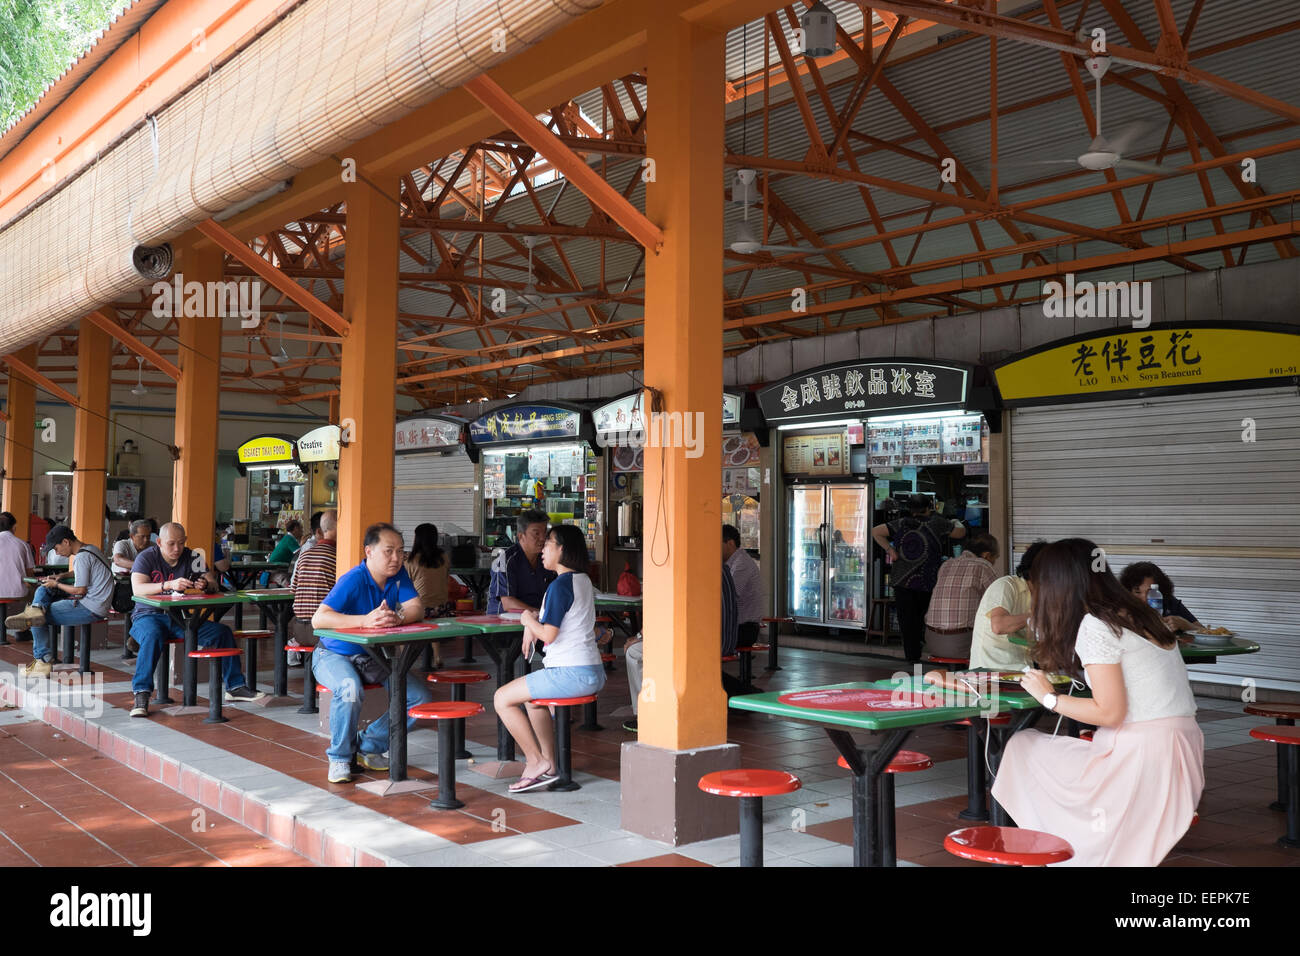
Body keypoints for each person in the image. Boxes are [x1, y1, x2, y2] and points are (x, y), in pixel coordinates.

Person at [992, 538, 1204, 866]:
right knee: (1050, 750)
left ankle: (1048, 850)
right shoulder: (1141, 613)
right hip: (1180, 750)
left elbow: (1110, 712)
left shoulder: (1096, 625)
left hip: (1141, 758)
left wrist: (1049, 697)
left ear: (1059, 584)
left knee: (1022, 746)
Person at [310, 522, 434, 785]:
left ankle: (368, 745)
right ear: (369, 551)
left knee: (418, 698)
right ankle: (341, 757)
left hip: (373, 657)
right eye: (389, 551)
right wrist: (364, 621)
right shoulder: (354, 579)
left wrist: (397, 619)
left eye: (401, 551)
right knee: (349, 688)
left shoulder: (398, 576)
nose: (396, 558)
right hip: (333, 655)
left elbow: (416, 608)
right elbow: (319, 619)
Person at [492, 525, 605, 792]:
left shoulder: (559, 586)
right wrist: (531, 627)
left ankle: (534, 761)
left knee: (501, 698)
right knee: (532, 702)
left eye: (549, 543)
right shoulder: (583, 581)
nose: (543, 548)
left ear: (562, 549)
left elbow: (549, 635)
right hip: (591, 671)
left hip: (569, 673)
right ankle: (550, 765)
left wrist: (527, 619)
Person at [127, 522, 265, 718]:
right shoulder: (146, 557)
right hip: (147, 616)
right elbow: (138, 589)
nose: (177, 549)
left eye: (181, 543)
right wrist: (168, 584)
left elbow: (213, 584)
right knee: (152, 634)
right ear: (159, 542)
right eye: (171, 544)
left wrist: (206, 584)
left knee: (222, 633)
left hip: (181, 619)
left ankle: (235, 687)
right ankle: (141, 693)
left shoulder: (192, 557)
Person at [623, 564, 741, 733]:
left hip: (704, 644)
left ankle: (647, 713)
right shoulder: (721, 568)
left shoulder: (690, 568)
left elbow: (666, 611)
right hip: (725, 640)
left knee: (634, 652)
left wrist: (641, 637)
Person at [871, 494, 966, 662]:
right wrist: (955, 522)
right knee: (925, 617)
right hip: (926, 580)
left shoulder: (901, 523)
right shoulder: (938, 523)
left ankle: (912, 656)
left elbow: (876, 531)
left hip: (902, 579)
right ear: (930, 506)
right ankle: (929, 648)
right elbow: (960, 533)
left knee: (907, 620)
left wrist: (890, 550)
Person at [10, 526, 114, 678]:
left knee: (35, 617)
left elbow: (80, 590)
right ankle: (36, 609)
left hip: (90, 607)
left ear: (66, 541)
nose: (57, 553)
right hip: (96, 603)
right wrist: (62, 575)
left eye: (56, 548)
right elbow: (82, 571)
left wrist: (57, 584)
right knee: (43, 591)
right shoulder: (91, 549)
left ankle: (42, 659)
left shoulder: (81, 557)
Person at [968, 540, 1047, 671]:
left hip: (1022, 669)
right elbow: (998, 626)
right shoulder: (1006, 585)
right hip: (991, 671)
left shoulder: (1042, 596)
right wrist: (1036, 615)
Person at [923, 532, 999, 660]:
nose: (994, 562)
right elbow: (998, 599)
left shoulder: (946, 565)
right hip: (961, 643)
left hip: (932, 641)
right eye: (995, 558)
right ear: (987, 555)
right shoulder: (983, 565)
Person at [288, 510, 337, 666]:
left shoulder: (304, 555)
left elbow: (293, 589)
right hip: (323, 632)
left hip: (299, 631)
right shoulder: (337, 556)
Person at [487, 510, 555, 614]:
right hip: (504, 624)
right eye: (536, 533)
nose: (542, 538)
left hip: (535, 621)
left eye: (545, 532)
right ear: (520, 536)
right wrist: (543, 614)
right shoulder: (504, 561)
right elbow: (508, 603)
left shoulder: (546, 559)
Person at [405, 523, 453, 668]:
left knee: (400, 611)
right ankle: (437, 655)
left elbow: (406, 586)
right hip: (442, 609)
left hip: (420, 610)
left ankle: (403, 655)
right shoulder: (444, 557)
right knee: (433, 621)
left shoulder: (410, 561)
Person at [1119, 562, 1199, 633]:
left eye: (1151, 592)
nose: (1144, 598)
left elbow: (1205, 632)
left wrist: (1186, 625)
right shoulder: (1123, 608)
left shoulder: (1171, 603)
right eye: (1137, 592)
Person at [723, 524, 763, 647]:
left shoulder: (741, 564)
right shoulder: (732, 562)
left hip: (744, 629)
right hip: (736, 626)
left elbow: (729, 595)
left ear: (730, 543)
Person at [0, 512, 36, 634]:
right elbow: (30, 574)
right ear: (14, 527)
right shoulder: (23, 545)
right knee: (37, 593)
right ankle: (25, 629)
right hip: (17, 592)